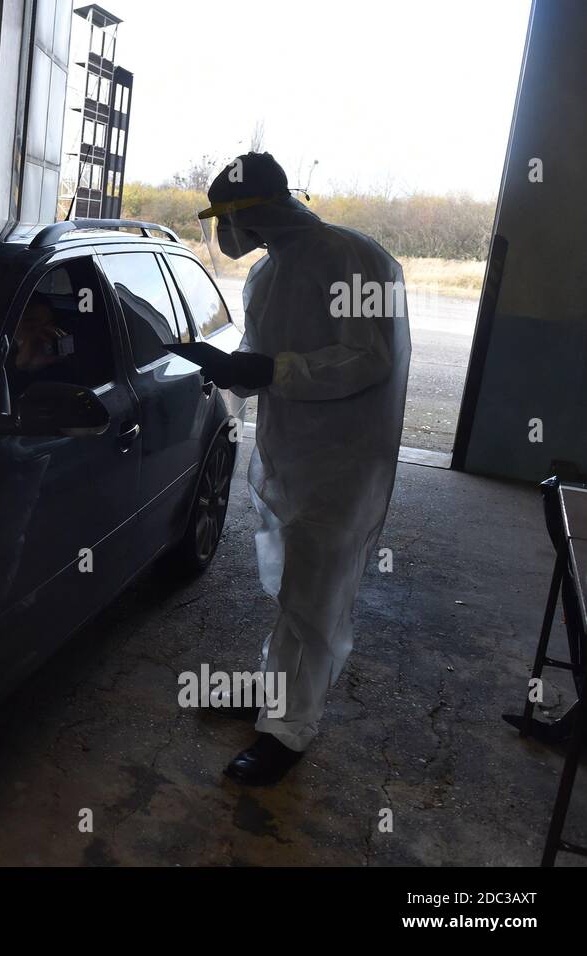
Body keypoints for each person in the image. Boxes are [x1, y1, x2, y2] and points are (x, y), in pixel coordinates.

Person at [196, 152, 411, 784]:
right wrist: (233, 365)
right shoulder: (266, 276)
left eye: (226, 217)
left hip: (344, 462)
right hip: (291, 452)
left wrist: (268, 371)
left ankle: (288, 733)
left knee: (318, 599)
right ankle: (272, 693)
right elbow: (262, 354)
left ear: (257, 209)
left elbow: (367, 359)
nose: (225, 232)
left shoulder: (356, 260)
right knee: (294, 589)